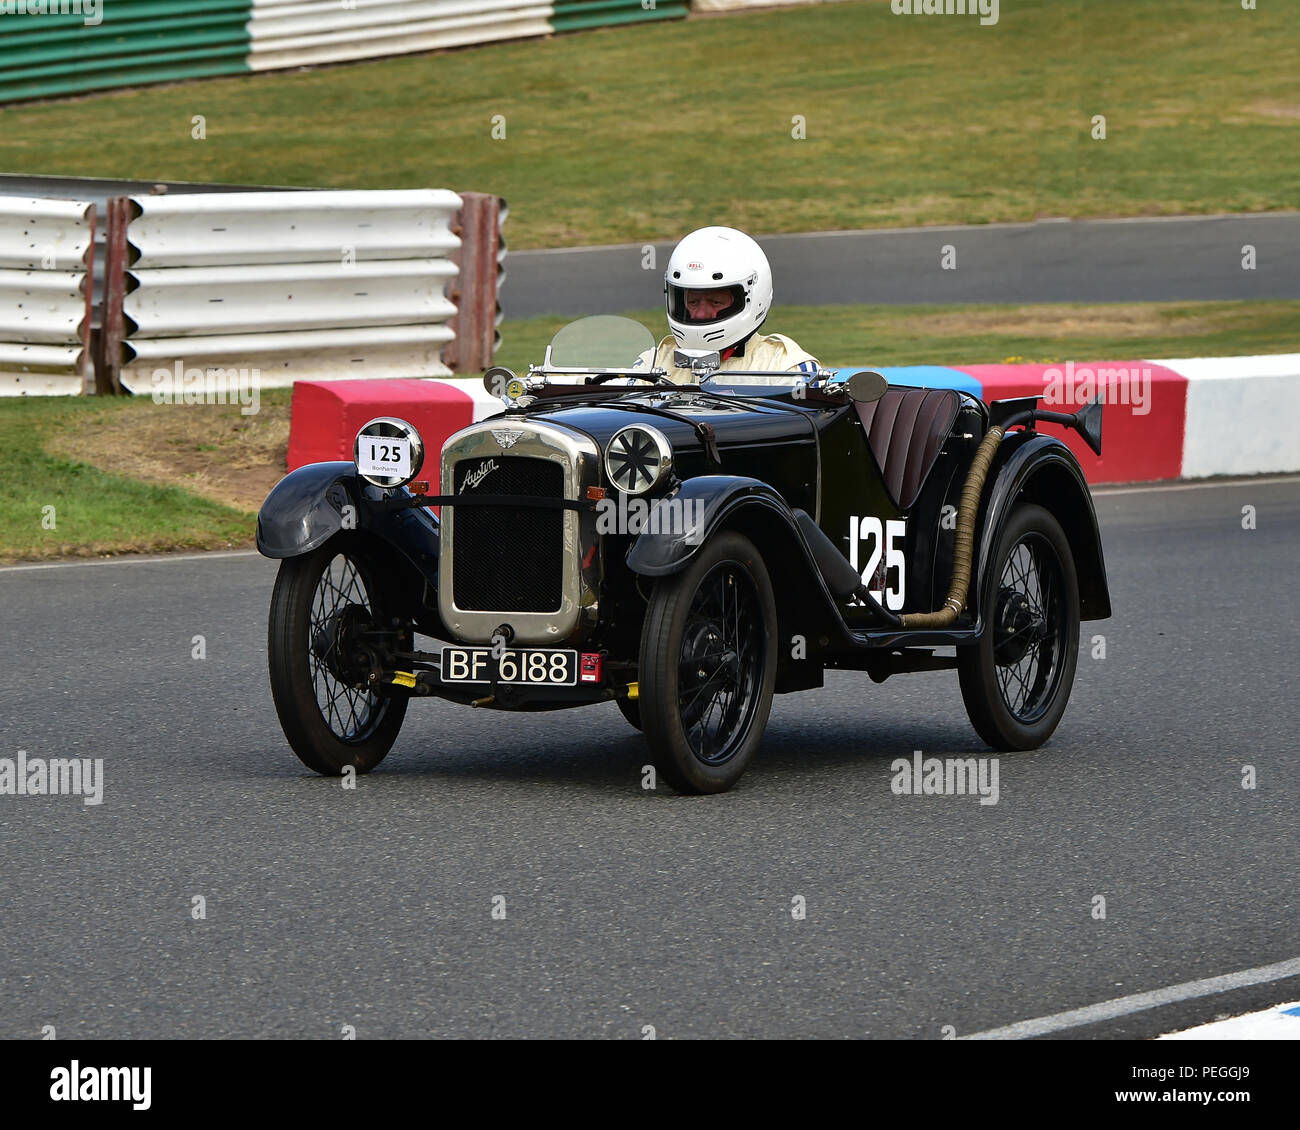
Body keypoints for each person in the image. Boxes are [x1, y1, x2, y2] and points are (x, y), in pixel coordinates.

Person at [632, 226, 819, 384]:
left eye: (715, 302)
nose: (700, 313)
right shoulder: (652, 364)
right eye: (693, 301)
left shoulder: (786, 369)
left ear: (752, 297)